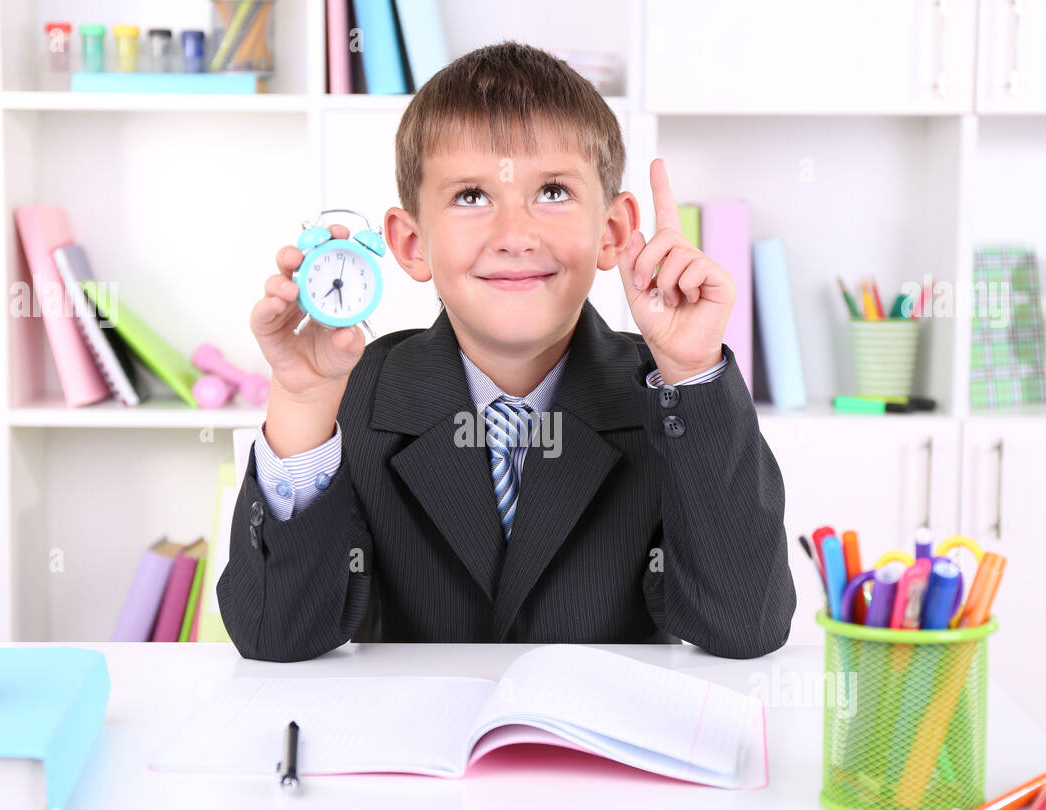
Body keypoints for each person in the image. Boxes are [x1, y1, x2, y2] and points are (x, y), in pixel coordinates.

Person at [218, 41, 796, 661]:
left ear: (614, 231)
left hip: (597, 751)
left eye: (552, 192)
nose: (515, 236)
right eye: (471, 196)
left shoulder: (666, 396)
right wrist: (302, 405)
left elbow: (743, 628)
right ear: (412, 244)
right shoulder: (354, 395)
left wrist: (692, 374)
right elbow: (277, 637)